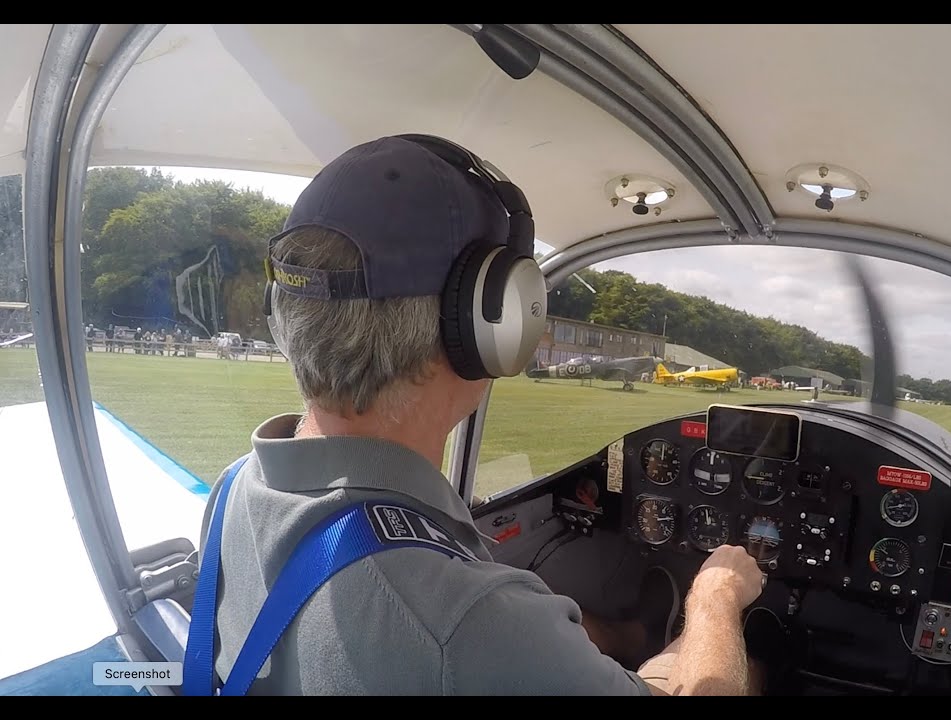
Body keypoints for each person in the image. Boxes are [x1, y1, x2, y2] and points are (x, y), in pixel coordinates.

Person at [195, 134, 764, 695]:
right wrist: (715, 595)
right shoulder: (467, 614)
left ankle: (633, 631)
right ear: (489, 327)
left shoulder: (230, 492)